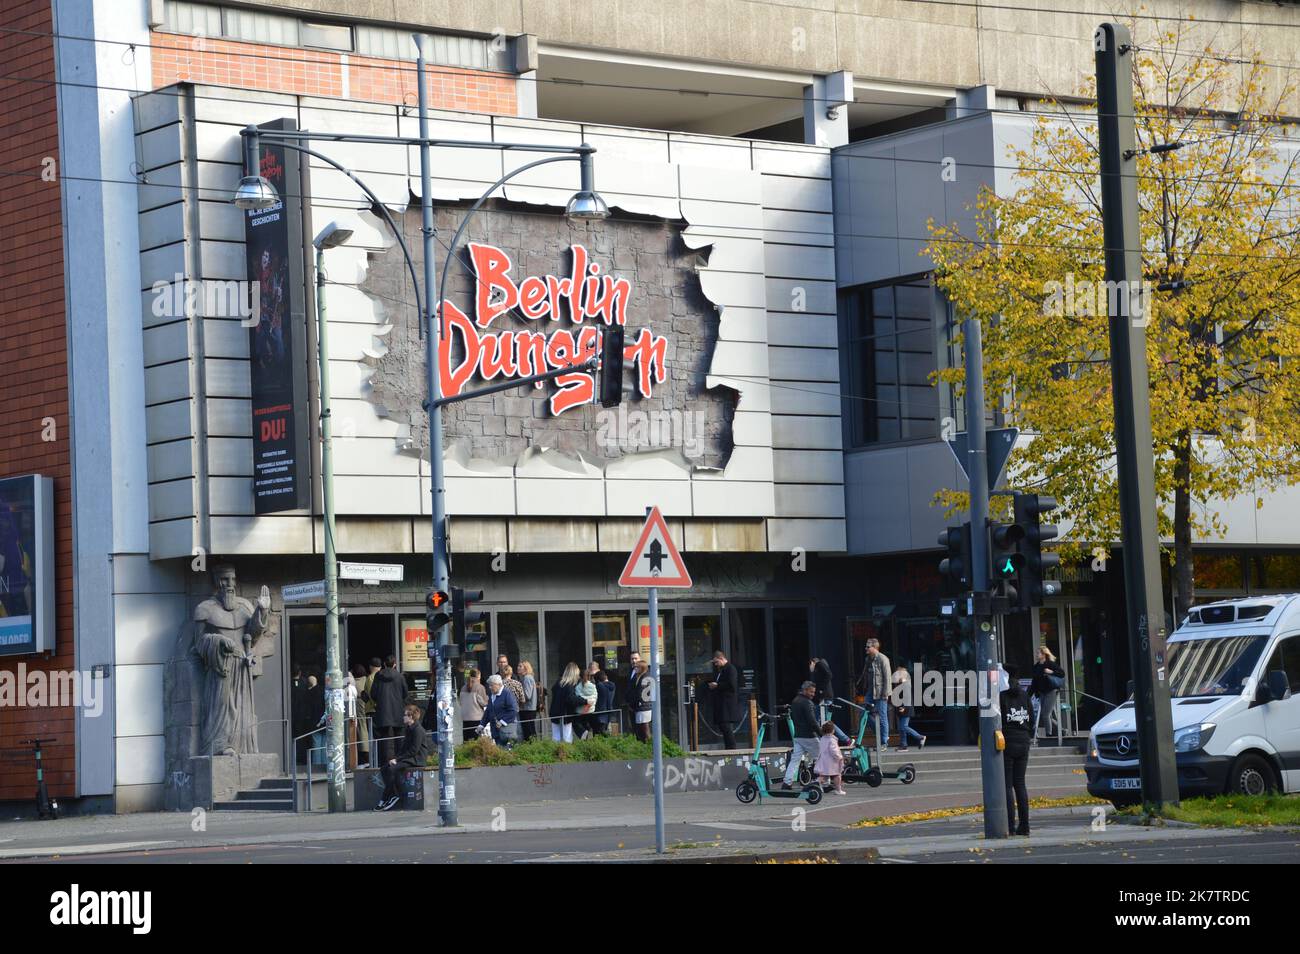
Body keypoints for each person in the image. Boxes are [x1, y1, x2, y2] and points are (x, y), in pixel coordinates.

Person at [376, 704, 431, 812]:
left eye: (405, 715)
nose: (403, 717)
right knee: (385, 768)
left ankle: (392, 796)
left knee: (392, 769)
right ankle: (392, 794)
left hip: (417, 759)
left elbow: (413, 750)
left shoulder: (418, 730)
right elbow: (404, 748)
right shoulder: (409, 729)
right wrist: (395, 758)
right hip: (410, 758)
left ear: (411, 717)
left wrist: (398, 760)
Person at [1000, 664, 1034, 835]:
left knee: (1007, 785)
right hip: (1024, 741)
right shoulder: (1025, 695)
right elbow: (1032, 719)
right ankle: (1025, 826)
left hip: (1008, 742)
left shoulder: (1002, 696)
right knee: (1020, 784)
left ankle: (1010, 826)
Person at [781, 681, 821, 789]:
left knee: (795, 760)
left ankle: (787, 782)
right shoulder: (807, 703)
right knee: (821, 757)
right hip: (809, 736)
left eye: (814, 692)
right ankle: (821, 782)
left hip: (798, 735)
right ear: (805, 690)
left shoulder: (795, 701)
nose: (813, 694)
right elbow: (812, 721)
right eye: (811, 692)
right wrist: (821, 734)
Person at [369, 656, 406, 765]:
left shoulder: (378, 676)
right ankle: (399, 762)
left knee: (384, 740)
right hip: (398, 711)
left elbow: (373, 694)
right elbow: (405, 693)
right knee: (399, 739)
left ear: (384, 664)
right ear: (394, 664)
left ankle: (385, 763)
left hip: (383, 712)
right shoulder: (399, 676)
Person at [1030, 646, 1067, 744]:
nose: (1036, 654)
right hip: (1041, 693)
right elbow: (1034, 682)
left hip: (1051, 691)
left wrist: (1051, 672)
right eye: (1037, 653)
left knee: (1045, 714)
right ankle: (1062, 731)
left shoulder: (1050, 664)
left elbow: (1062, 673)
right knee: (1047, 716)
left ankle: (1048, 735)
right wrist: (1029, 694)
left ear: (1043, 654)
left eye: (1038, 653)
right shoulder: (1036, 667)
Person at [809, 656, 850, 743]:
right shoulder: (819, 670)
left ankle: (845, 739)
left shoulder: (820, 665)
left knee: (825, 722)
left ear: (812, 662)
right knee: (820, 721)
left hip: (825, 698)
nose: (810, 667)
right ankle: (818, 740)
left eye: (810, 664)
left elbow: (829, 675)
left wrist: (820, 691)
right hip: (822, 698)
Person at [707, 650, 741, 749]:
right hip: (722, 703)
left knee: (726, 726)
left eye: (717, 662)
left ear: (721, 659)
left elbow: (732, 685)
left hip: (727, 703)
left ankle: (732, 747)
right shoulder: (721, 670)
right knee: (723, 725)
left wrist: (717, 685)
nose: (716, 665)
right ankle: (729, 746)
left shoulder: (730, 669)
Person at [863, 638, 892, 749]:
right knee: (864, 713)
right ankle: (879, 735)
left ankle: (884, 742)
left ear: (874, 648)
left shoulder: (883, 659)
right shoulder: (868, 659)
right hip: (871, 691)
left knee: (883, 716)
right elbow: (866, 674)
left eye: (868, 646)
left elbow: (887, 677)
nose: (866, 648)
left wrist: (886, 693)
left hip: (881, 692)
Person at [892, 665, 927, 751]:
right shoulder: (900, 683)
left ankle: (920, 737)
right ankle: (903, 745)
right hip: (902, 708)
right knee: (901, 728)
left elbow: (907, 697)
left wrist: (903, 707)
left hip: (906, 708)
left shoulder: (905, 683)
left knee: (904, 727)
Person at [478, 674, 519, 745]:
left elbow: (513, 710)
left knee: (507, 752)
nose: (490, 687)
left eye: (492, 685)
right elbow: (488, 711)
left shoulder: (507, 694)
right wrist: (482, 725)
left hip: (506, 731)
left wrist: (502, 721)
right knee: (499, 751)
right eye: (489, 685)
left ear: (499, 685)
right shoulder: (492, 695)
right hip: (496, 731)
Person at [550, 662, 581, 743]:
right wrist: (584, 700)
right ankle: (567, 754)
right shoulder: (569, 685)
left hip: (555, 712)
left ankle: (556, 754)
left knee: (555, 737)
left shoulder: (558, 683)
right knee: (567, 737)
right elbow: (571, 699)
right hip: (566, 713)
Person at [814, 721, 847, 795]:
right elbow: (834, 750)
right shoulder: (832, 740)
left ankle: (815, 784)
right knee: (837, 775)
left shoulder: (822, 739)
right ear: (833, 730)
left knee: (823, 776)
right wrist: (840, 757)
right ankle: (838, 790)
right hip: (832, 762)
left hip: (824, 760)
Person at [349, 664, 372, 763]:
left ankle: (364, 751)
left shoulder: (354, 684)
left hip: (359, 709)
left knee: (361, 729)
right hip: (368, 708)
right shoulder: (367, 680)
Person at [459, 669, 489, 739]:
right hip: (477, 718)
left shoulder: (463, 688)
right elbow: (484, 703)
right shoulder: (480, 687)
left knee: (467, 742)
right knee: (477, 742)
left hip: (465, 719)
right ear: (479, 676)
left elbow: (460, 702)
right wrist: (487, 698)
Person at [631, 659, 653, 742]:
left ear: (642, 668)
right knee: (642, 728)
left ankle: (648, 745)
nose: (635, 669)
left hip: (643, 707)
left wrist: (635, 703)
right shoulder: (642, 677)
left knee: (644, 728)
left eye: (637, 667)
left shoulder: (644, 678)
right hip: (643, 706)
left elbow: (641, 694)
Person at [574, 667, 598, 739]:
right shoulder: (593, 686)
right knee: (589, 726)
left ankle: (584, 736)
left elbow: (578, 697)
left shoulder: (578, 687)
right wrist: (590, 702)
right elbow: (595, 697)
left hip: (581, 711)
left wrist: (585, 700)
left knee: (580, 727)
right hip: (590, 710)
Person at [517, 661, 539, 740]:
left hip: (528, 709)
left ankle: (533, 749)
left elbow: (527, 695)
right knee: (529, 732)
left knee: (529, 732)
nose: (518, 668)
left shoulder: (527, 678)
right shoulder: (526, 678)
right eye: (518, 666)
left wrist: (517, 696)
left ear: (525, 668)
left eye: (520, 666)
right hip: (527, 709)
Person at [624, 652, 643, 728]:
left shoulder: (642, 672)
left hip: (639, 706)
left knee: (642, 730)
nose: (634, 661)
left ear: (640, 659)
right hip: (631, 706)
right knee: (634, 728)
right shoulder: (631, 671)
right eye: (632, 659)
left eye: (636, 658)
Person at [593, 670, 616, 735]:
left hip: (600, 713)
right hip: (609, 712)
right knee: (606, 734)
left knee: (598, 735)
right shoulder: (613, 685)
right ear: (606, 677)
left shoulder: (599, 686)